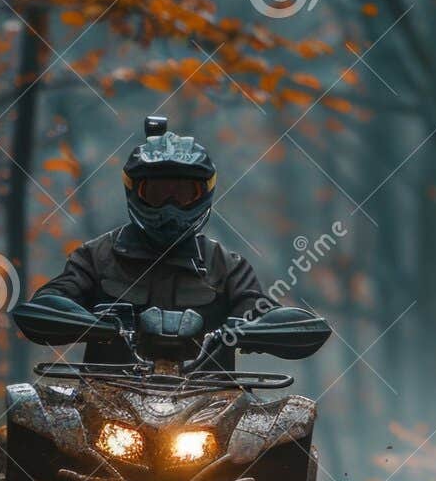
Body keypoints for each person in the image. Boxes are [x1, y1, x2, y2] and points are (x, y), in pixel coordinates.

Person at [16, 117, 264, 364]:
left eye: (183, 195)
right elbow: (47, 307)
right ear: (133, 191)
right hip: (103, 396)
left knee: (293, 405)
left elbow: (266, 316)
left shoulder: (227, 266)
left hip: (217, 399)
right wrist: (84, 322)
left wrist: (262, 329)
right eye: (157, 193)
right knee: (26, 401)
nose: (170, 207)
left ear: (204, 196)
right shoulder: (96, 256)